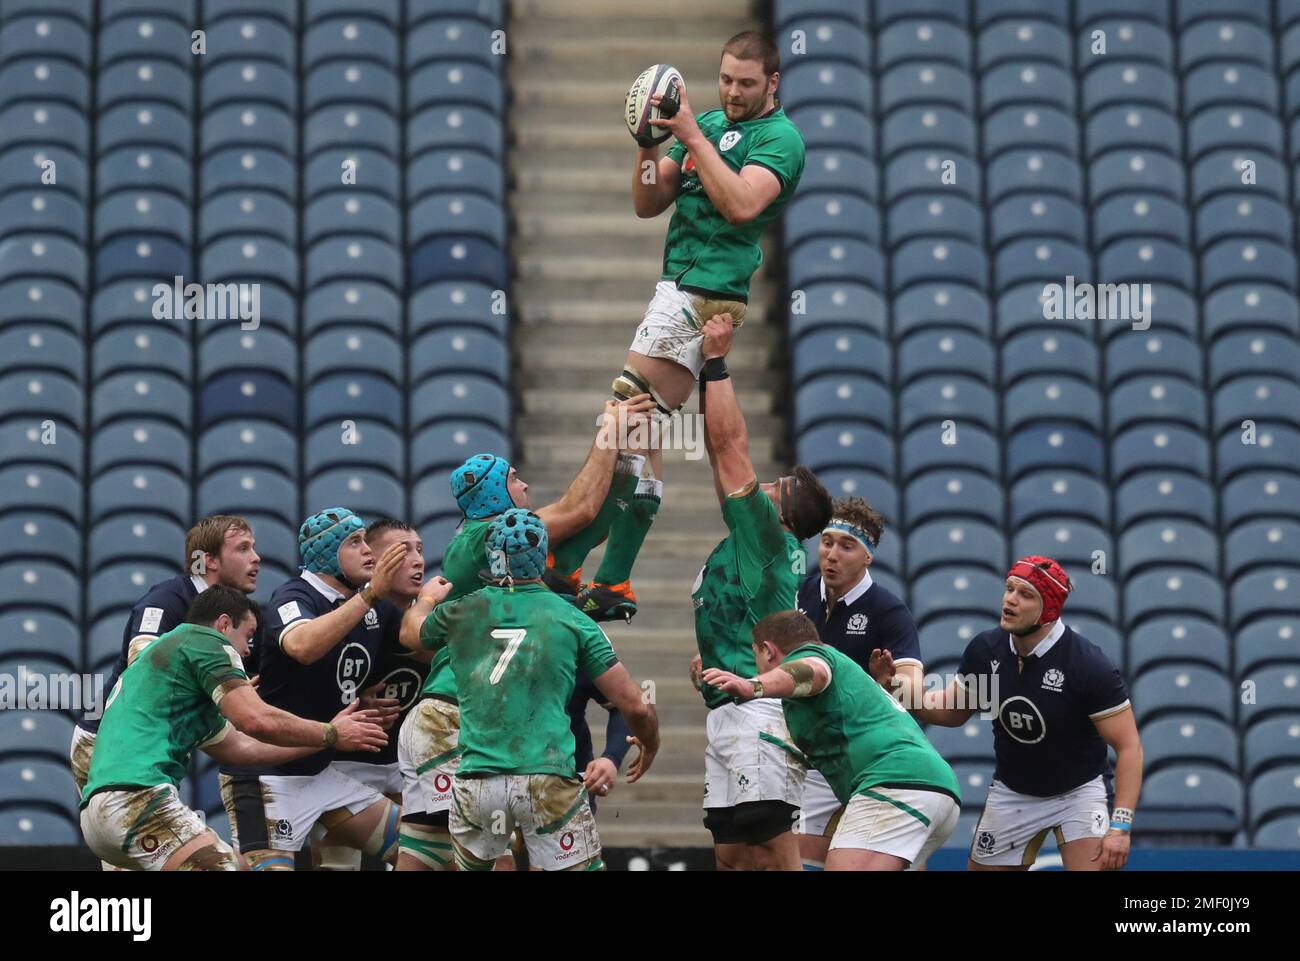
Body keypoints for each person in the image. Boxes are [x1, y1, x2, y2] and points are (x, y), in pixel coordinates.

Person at [402, 509, 660, 871]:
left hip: (478, 781)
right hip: (546, 779)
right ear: (542, 559)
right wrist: (651, 742)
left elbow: (410, 634)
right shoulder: (573, 619)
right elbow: (635, 705)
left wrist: (427, 601)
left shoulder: (460, 611)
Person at [79, 586, 387, 871]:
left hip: (98, 817)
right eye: (248, 635)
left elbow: (242, 748)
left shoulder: (169, 670)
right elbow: (255, 721)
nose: (249, 650)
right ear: (224, 625)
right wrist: (329, 733)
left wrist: (328, 740)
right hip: (137, 801)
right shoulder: (205, 640)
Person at [616, 29, 805, 453]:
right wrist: (648, 144)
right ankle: (630, 513)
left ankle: (606, 517)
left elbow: (742, 205)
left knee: (622, 430)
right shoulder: (707, 124)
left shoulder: (781, 138)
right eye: (725, 80)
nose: (733, 93)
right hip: (679, 284)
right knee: (636, 438)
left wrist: (694, 141)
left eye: (746, 83)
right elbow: (648, 200)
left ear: (773, 82)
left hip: (705, 290)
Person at [689, 313, 832, 870]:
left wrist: (715, 363)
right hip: (725, 707)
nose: (760, 485)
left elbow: (728, 446)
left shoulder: (771, 540)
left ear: (784, 511)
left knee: (774, 848)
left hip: (759, 711)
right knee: (730, 854)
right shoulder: (752, 541)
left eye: (773, 487)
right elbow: (720, 458)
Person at [890, 556, 1143, 871]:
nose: (1010, 599)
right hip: (1014, 791)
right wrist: (895, 688)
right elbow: (950, 713)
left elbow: (1129, 747)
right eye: (1010, 588)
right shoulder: (986, 651)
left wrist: (1120, 826)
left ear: (1049, 609)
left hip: (1079, 792)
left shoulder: (1088, 665)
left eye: (1025, 594)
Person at [218, 508, 407, 871]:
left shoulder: (371, 605)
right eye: (355, 542)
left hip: (320, 774)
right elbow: (303, 647)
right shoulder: (293, 596)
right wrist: (368, 598)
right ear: (326, 554)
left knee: (425, 853)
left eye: (367, 540)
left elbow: (415, 645)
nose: (369, 551)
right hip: (265, 779)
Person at [69, 514, 261, 869]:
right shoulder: (168, 601)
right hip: (105, 740)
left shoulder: (236, 617)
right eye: (244, 548)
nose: (257, 558)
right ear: (209, 561)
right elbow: (142, 657)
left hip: (146, 745)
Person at [702, 610, 961, 871]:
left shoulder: (813, 657)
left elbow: (811, 672)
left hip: (895, 784)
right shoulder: (834, 685)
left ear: (768, 650)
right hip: (930, 789)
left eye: (754, 652)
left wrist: (753, 686)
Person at [794, 497, 924, 869]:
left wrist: (886, 684)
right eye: (827, 541)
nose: (832, 554)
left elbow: (913, 688)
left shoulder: (888, 610)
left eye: (847, 546)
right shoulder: (799, 593)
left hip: (869, 758)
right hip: (814, 757)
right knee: (801, 860)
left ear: (867, 557)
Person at [322, 517, 431, 870]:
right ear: (373, 561)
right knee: (339, 864)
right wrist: (347, 699)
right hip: (348, 765)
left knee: (428, 858)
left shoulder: (435, 618)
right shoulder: (344, 617)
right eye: (403, 551)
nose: (417, 560)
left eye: (420, 550)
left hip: (408, 766)